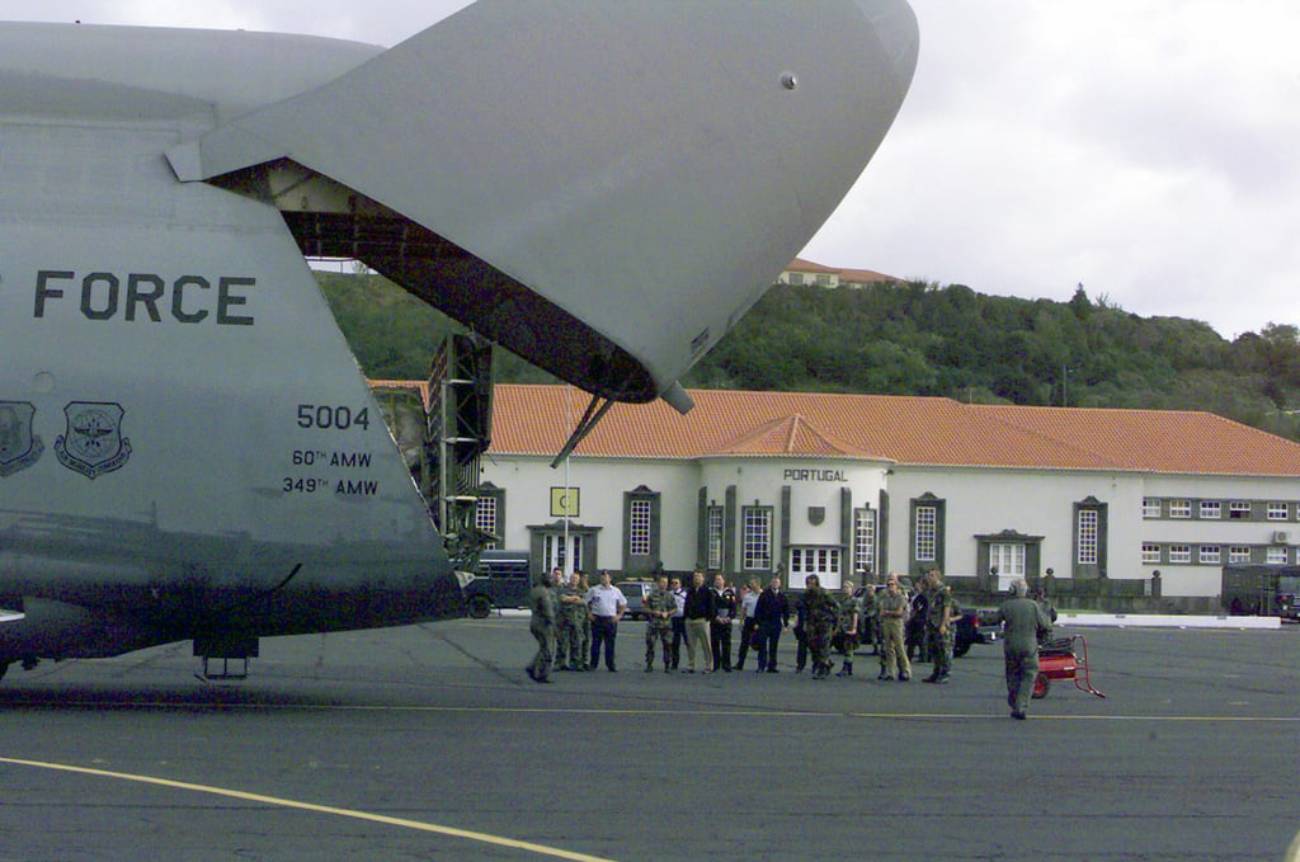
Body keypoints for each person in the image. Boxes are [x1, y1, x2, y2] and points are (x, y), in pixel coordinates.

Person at [997, 578, 1053, 719]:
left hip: (1010, 646)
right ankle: (1021, 706)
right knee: (1029, 675)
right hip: (1029, 646)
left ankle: (1014, 701)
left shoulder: (1006, 605)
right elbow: (1046, 624)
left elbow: (992, 619)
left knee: (1012, 675)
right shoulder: (1033, 606)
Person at [586, 570, 626, 671]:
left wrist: (619, 615)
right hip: (597, 619)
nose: (604, 579)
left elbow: (623, 603)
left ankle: (611, 665)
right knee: (595, 644)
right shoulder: (594, 590)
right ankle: (593, 665)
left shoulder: (616, 591)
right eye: (602, 577)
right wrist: (589, 614)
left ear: (610, 578)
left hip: (610, 620)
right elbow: (585, 602)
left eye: (606, 577)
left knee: (610, 644)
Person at [923, 569, 957, 684]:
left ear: (938, 577)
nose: (929, 577)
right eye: (929, 575)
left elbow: (946, 608)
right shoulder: (931, 591)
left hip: (940, 624)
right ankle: (936, 672)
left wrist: (943, 624)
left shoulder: (944, 591)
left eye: (932, 575)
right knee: (934, 649)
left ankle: (945, 673)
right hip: (932, 623)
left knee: (944, 650)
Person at [803, 574, 839, 679]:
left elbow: (836, 606)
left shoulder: (824, 593)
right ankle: (826, 663)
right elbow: (805, 609)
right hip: (813, 623)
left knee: (824, 645)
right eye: (808, 584)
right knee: (813, 645)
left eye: (812, 584)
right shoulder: (806, 595)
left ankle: (822, 669)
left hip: (825, 623)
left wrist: (835, 623)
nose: (809, 586)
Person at [877, 573, 911, 681]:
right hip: (887, 623)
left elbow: (899, 612)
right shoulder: (885, 597)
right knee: (888, 649)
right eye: (888, 585)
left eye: (892, 584)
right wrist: (888, 613)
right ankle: (891, 672)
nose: (890, 587)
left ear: (896, 585)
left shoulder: (901, 597)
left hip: (897, 624)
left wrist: (887, 612)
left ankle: (906, 670)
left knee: (900, 648)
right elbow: (881, 611)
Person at [526, 569, 557, 683]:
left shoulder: (535, 590)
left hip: (534, 621)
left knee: (543, 647)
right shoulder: (544, 592)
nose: (552, 581)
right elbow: (547, 609)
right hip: (544, 623)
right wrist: (553, 623)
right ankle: (541, 673)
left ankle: (534, 667)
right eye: (550, 579)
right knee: (548, 650)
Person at [753, 576, 789, 673]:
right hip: (765, 623)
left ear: (780, 584)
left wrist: (785, 625)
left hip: (776, 623)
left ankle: (772, 666)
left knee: (774, 646)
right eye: (773, 582)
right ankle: (761, 666)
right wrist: (757, 622)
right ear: (770, 584)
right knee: (762, 645)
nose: (775, 584)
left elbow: (786, 612)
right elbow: (758, 609)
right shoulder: (764, 595)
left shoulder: (782, 596)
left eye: (777, 582)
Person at [683, 570, 716, 673]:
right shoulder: (690, 591)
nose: (696, 578)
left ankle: (708, 665)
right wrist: (686, 617)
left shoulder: (707, 592)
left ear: (703, 578)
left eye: (699, 576)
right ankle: (691, 665)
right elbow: (686, 605)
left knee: (706, 645)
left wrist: (708, 618)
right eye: (695, 577)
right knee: (691, 645)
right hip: (690, 621)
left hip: (702, 620)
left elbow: (711, 606)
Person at [644, 575, 676, 672]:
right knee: (650, 644)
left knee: (667, 645)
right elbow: (646, 608)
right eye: (662, 582)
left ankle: (667, 665)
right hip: (653, 624)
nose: (664, 585)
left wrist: (668, 613)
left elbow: (674, 608)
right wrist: (653, 612)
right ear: (658, 583)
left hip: (666, 624)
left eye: (666, 583)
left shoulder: (670, 596)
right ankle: (649, 665)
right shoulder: (652, 595)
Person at [710, 574, 737, 672]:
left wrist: (729, 617)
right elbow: (710, 607)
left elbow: (733, 607)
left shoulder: (729, 592)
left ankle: (726, 664)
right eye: (716, 579)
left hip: (727, 621)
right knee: (715, 643)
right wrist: (716, 617)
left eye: (719, 579)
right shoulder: (711, 592)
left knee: (726, 643)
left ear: (724, 581)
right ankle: (716, 664)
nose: (718, 581)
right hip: (715, 621)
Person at [834, 580, 860, 677]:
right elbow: (840, 614)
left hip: (849, 625)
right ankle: (849, 668)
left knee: (849, 647)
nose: (845, 589)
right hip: (842, 626)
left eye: (847, 587)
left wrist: (854, 628)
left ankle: (846, 667)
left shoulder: (854, 600)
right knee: (844, 647)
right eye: (844, 587)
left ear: (852, 589)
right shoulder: (843, 600)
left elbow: (855, 614)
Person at [734, 579, 761, 670]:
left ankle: (761, 665)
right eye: (750, 584)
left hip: (759, 620)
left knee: (759, 643)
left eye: (752, 584)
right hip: (749, 620)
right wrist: (741, 622)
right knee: (744, 642)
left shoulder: (763, 595)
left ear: (758, 584)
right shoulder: (747, 596)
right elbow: (743, 610)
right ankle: (740, 663)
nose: (751, 586)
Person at [669, 576, 687, 670]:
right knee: (675, 643)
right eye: (673, 583)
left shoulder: (685, 594)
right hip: (673, 620)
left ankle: (691, 663)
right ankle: (674, 663)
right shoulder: (669, 595)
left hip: (683, 620)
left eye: (676, 583)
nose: (674, 585)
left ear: (680, 584)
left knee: (688, 642)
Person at [577, 571, 592, 669]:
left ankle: (585, 660)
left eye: (586, 578)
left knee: (586, 640)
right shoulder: (576, 590)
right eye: (583, 578)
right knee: (577, 640)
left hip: (587, 618)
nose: (585, 580)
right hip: (577, 618)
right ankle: (577, 661)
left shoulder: (590, 590)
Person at [792, 589, 809, 673]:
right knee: (802, 647)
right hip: (803, 627)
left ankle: (801, 665)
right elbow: (797, 614)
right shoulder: (801, 606)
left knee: (804, 647)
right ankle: (800, 665)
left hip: (810, 627)